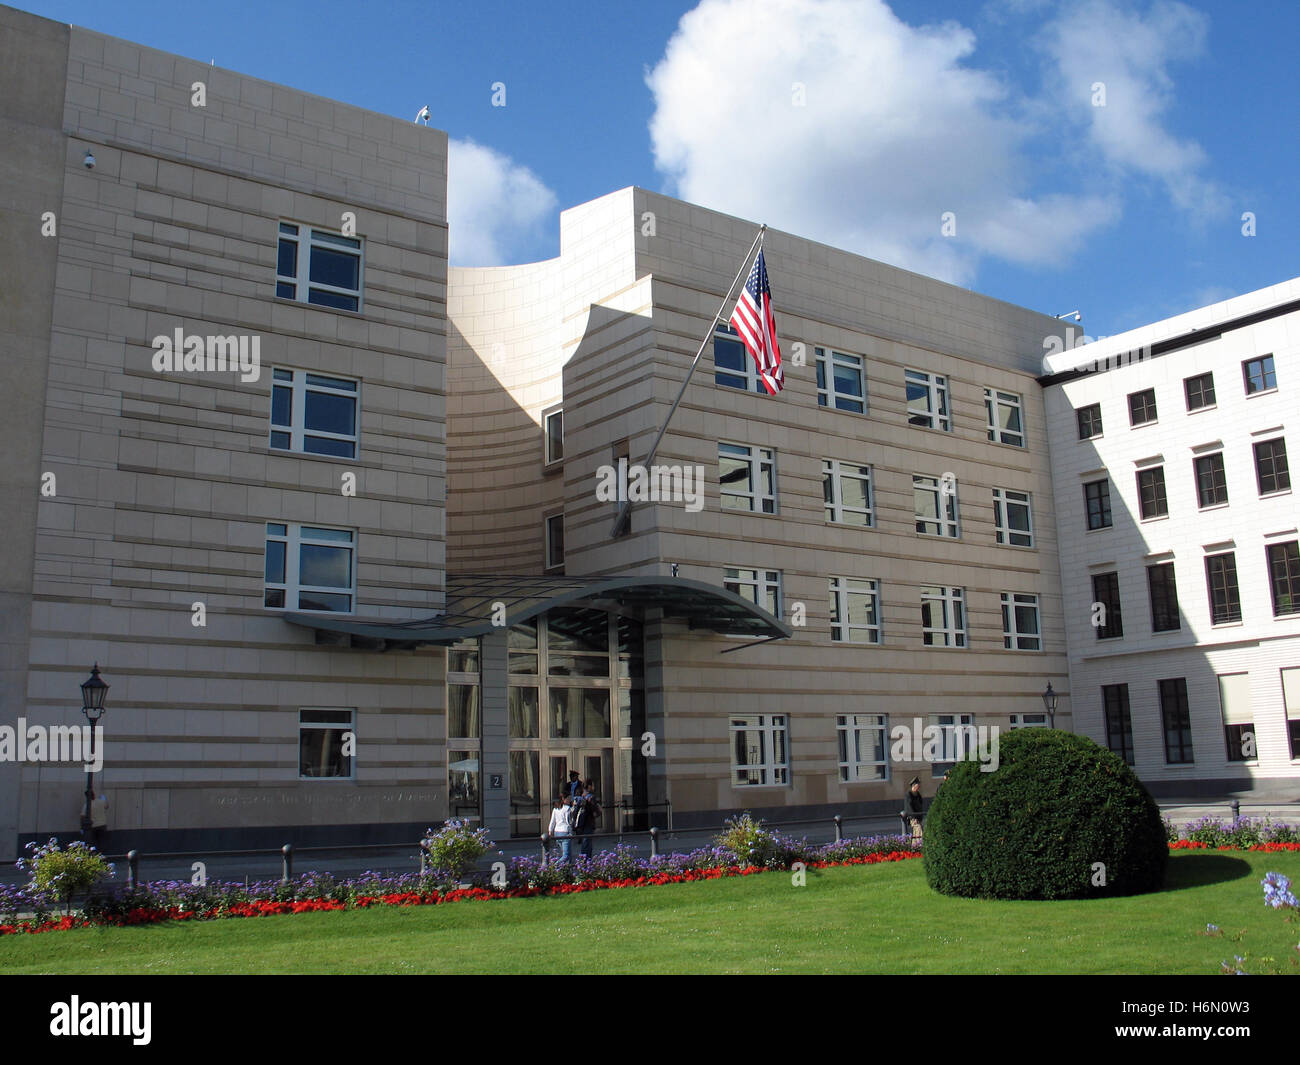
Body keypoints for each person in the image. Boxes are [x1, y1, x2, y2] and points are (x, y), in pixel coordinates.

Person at [548, 795, 574, 865]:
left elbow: (552, 821)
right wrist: (571, 831)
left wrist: (550, 831)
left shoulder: (555, 809)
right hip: (565, 831)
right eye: (568, 798)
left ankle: (568, 869)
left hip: (557, 832)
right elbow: (569, 822)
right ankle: (555, 866)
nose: (569, 800)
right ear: (563, 800)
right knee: (566, 855)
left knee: (567, 852)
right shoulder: (567, 808)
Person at [904, 777, 924, 845]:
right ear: (914, 785)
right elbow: (909, 807)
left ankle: (914, 846)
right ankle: (920, 845)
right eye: (918, 784)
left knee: (916, 832)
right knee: (919, 830)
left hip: (919, 817)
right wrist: (913, 817)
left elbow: (920, 804)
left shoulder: (918, 794)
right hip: (913, 818)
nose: (919, 786)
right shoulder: (909, 794)